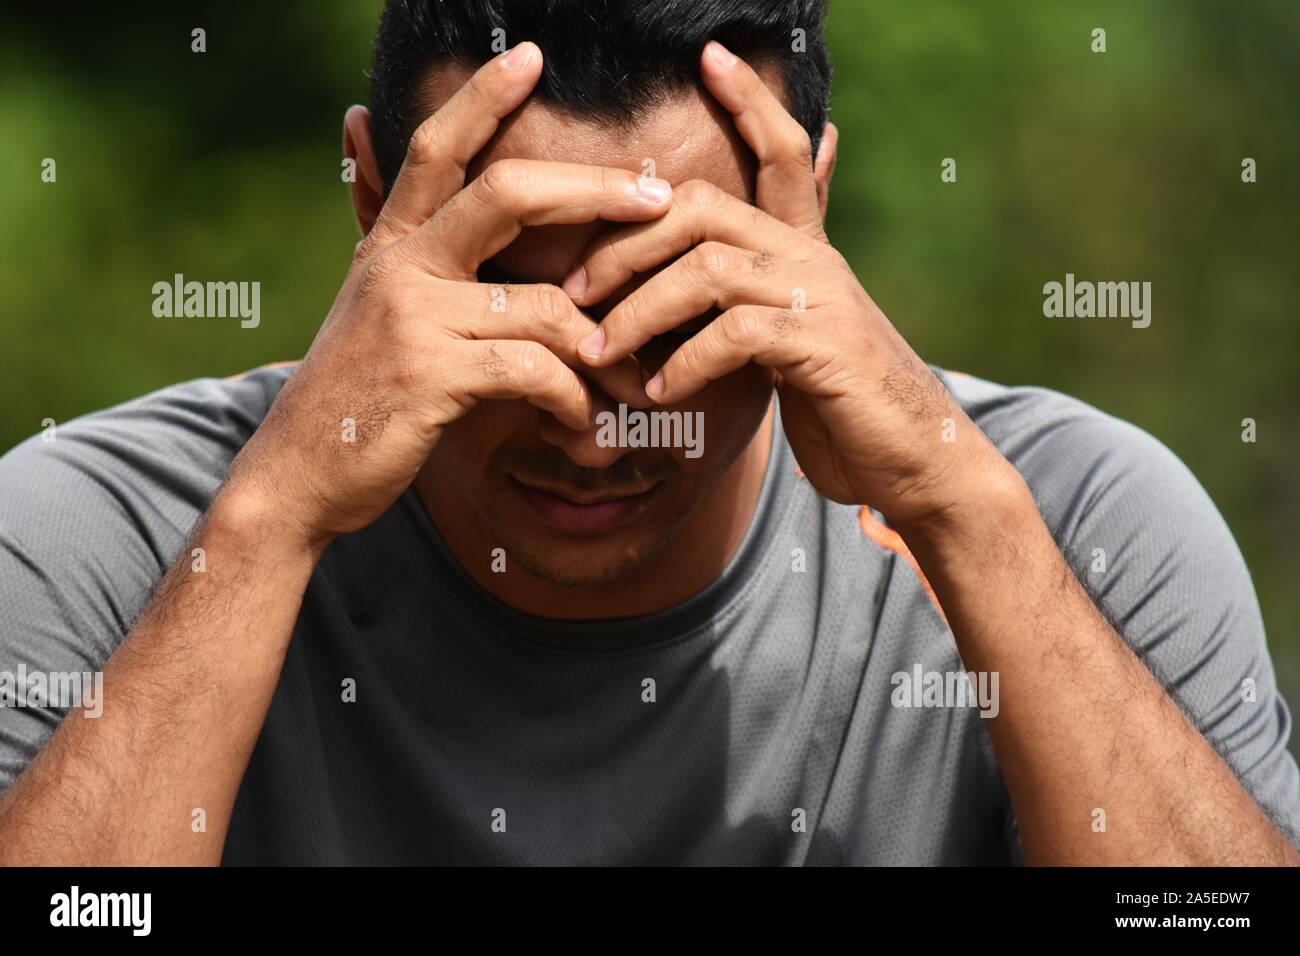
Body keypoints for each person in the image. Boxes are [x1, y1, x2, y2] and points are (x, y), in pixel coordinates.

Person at [0, 0, 1297, 865]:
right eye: (510, 301)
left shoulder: (1079, 526)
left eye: (681, 308)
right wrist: (270, 522)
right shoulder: (106, 544)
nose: (595, 427)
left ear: (813, 212)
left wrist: (967, 522)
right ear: (369, 201)